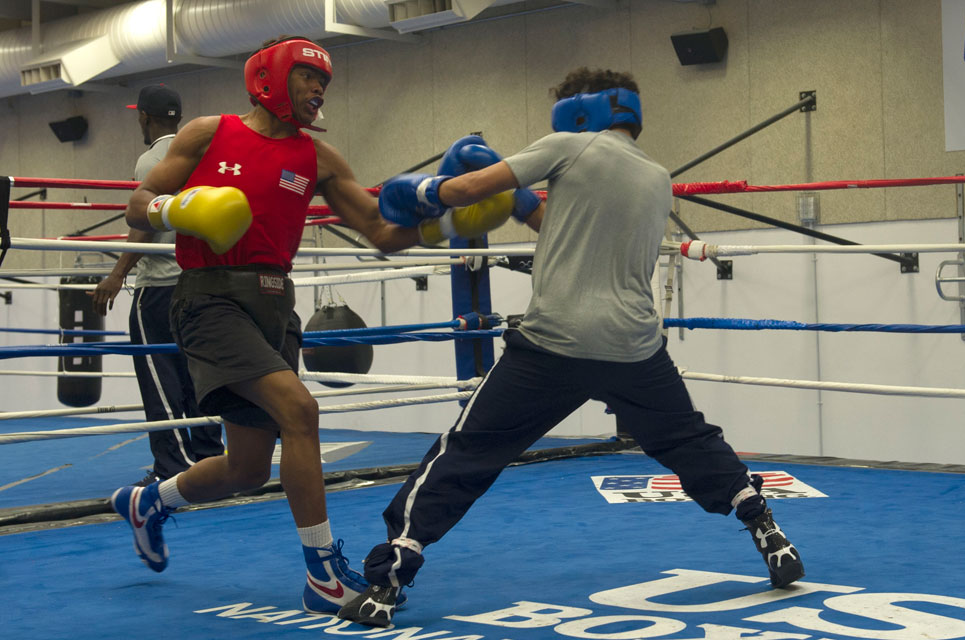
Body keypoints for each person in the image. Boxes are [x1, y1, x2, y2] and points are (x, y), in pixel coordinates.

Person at [338, 67, 804, 628]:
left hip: (554, 343)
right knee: (689, 440)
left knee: (468, 450)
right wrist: (519, 203)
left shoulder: (568, 146)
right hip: (634, 346)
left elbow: (463, 190)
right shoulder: (658, 176)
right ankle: (766, 529)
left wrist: (415, 191)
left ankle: (388, 581)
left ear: (581, 111)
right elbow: (563, 227)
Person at [107, 36, 536, 616]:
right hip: (209, 299)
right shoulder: (209, 133)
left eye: (324, 82)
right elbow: (139, 204)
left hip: (273, 305)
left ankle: (149, 502)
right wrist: (178, 208)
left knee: (247, 468)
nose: (318, 89)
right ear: (270, 76)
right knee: (300, 410)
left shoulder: (319, 159)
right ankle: (324, 575)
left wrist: (445, 225)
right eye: (308, 76)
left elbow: (381, 234)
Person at [92, 85, 224, 487]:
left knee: (160, 378)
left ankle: (173, 467)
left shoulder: (152, 160)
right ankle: (209, 459)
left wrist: (118, 274)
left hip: (159, 288)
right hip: (201, 284)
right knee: (199, 374)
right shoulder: (206, 154)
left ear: (143, 117)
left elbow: (145, 223)